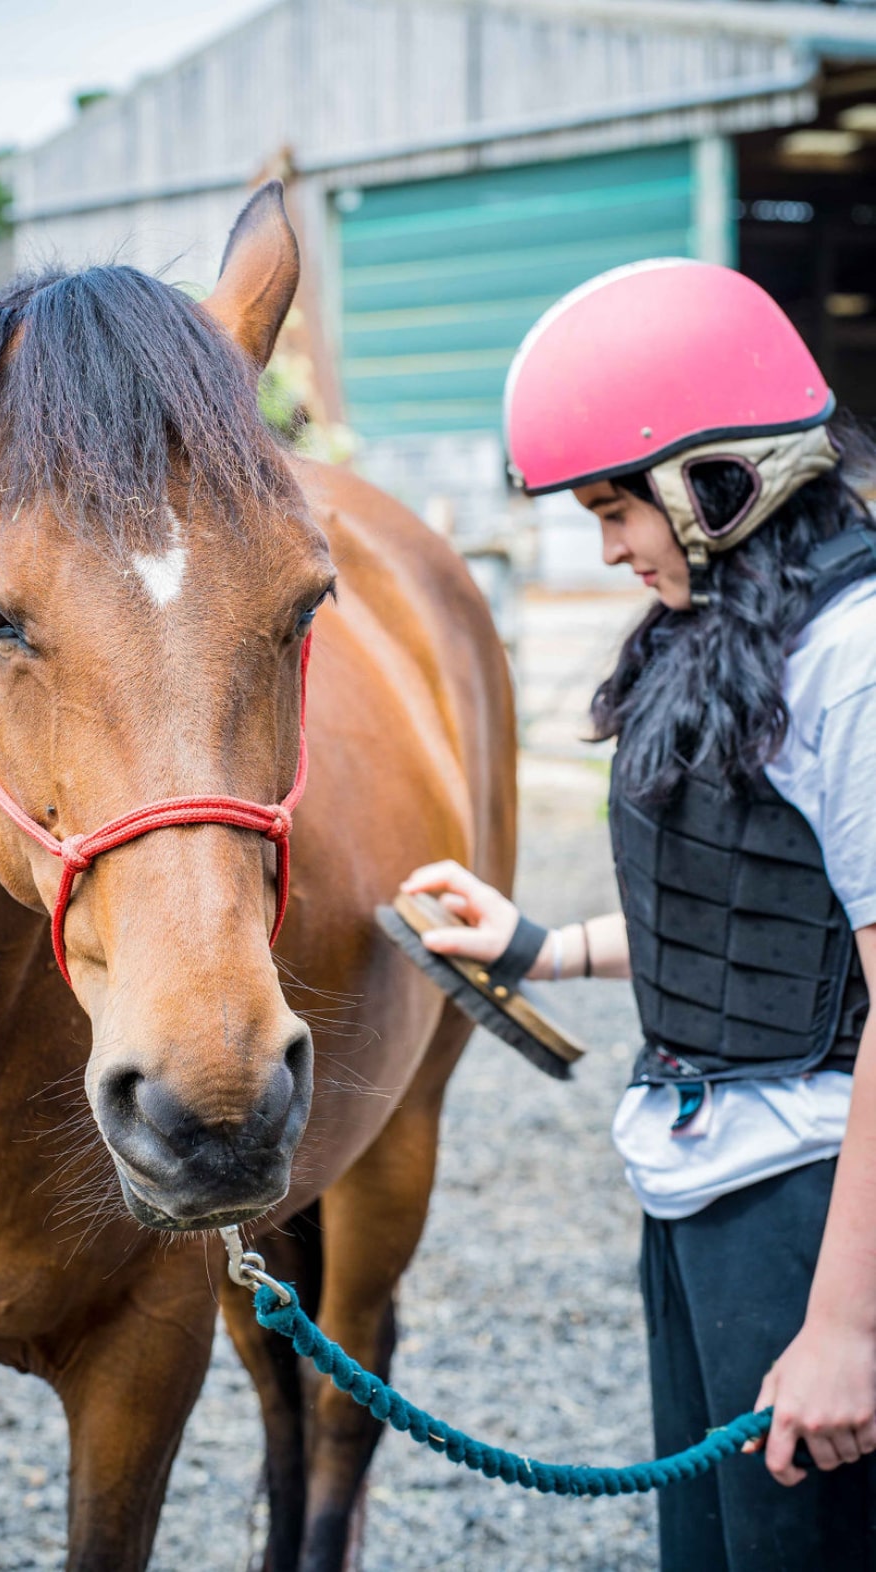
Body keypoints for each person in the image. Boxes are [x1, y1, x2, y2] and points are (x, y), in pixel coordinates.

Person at [402, 258, 876, 1571]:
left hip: (819, 1201)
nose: (609, 546)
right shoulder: (719, 625)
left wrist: (847, 1323)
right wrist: (542, 948)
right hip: (700, 1195)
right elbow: (754, 909)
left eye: (618, 509)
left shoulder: (854, 657)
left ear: (719, 477)